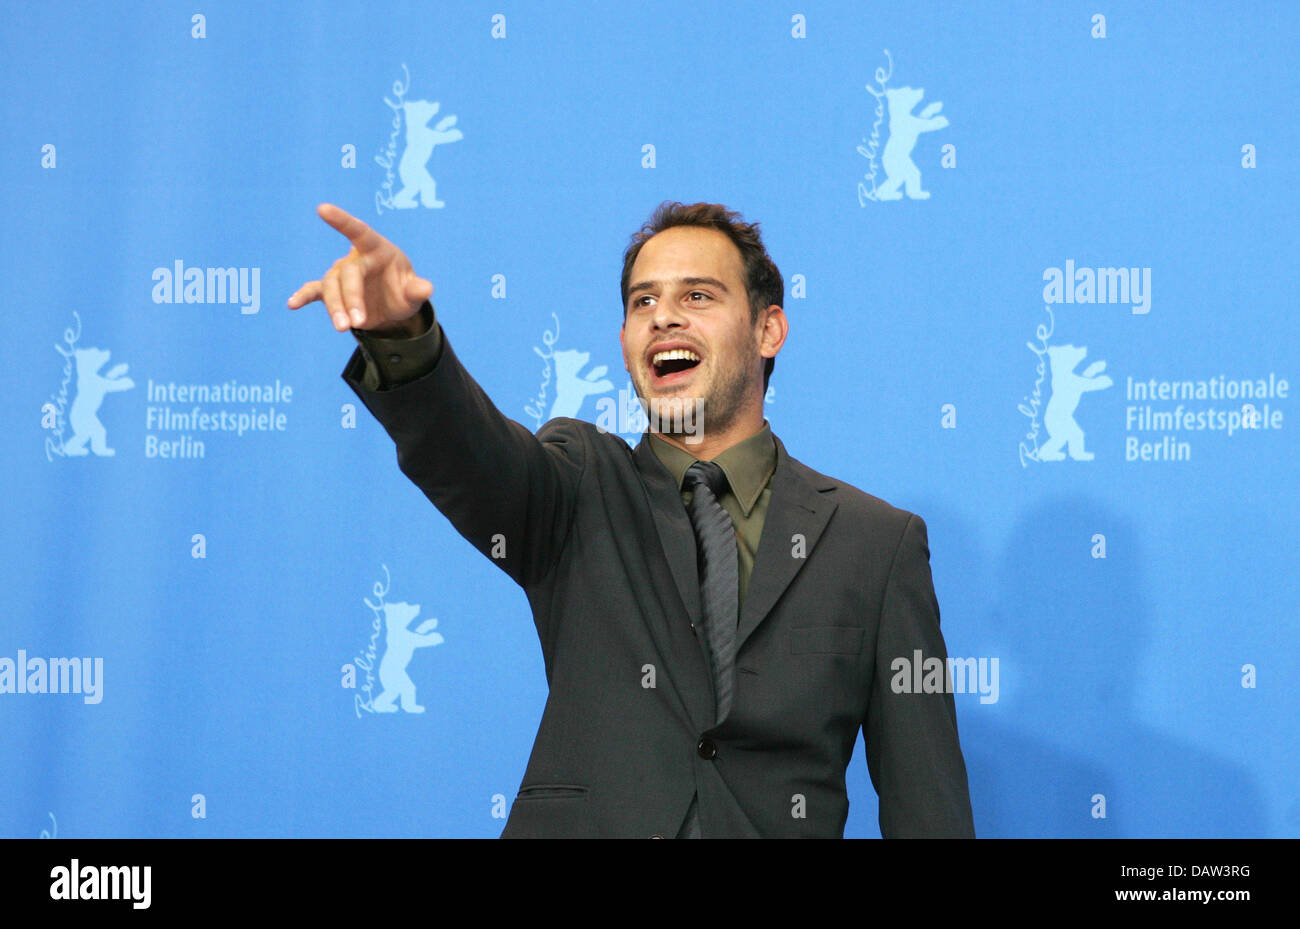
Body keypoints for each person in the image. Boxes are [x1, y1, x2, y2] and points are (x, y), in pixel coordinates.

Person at [288, 200, 975, 838]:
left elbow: (928, 802)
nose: (663, 317)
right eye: (642, 300)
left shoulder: (876, 542)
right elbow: (468, 452)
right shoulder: (578, 482)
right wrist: (401, 337)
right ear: (623, 340)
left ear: (769, 329)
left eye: (697, 296)